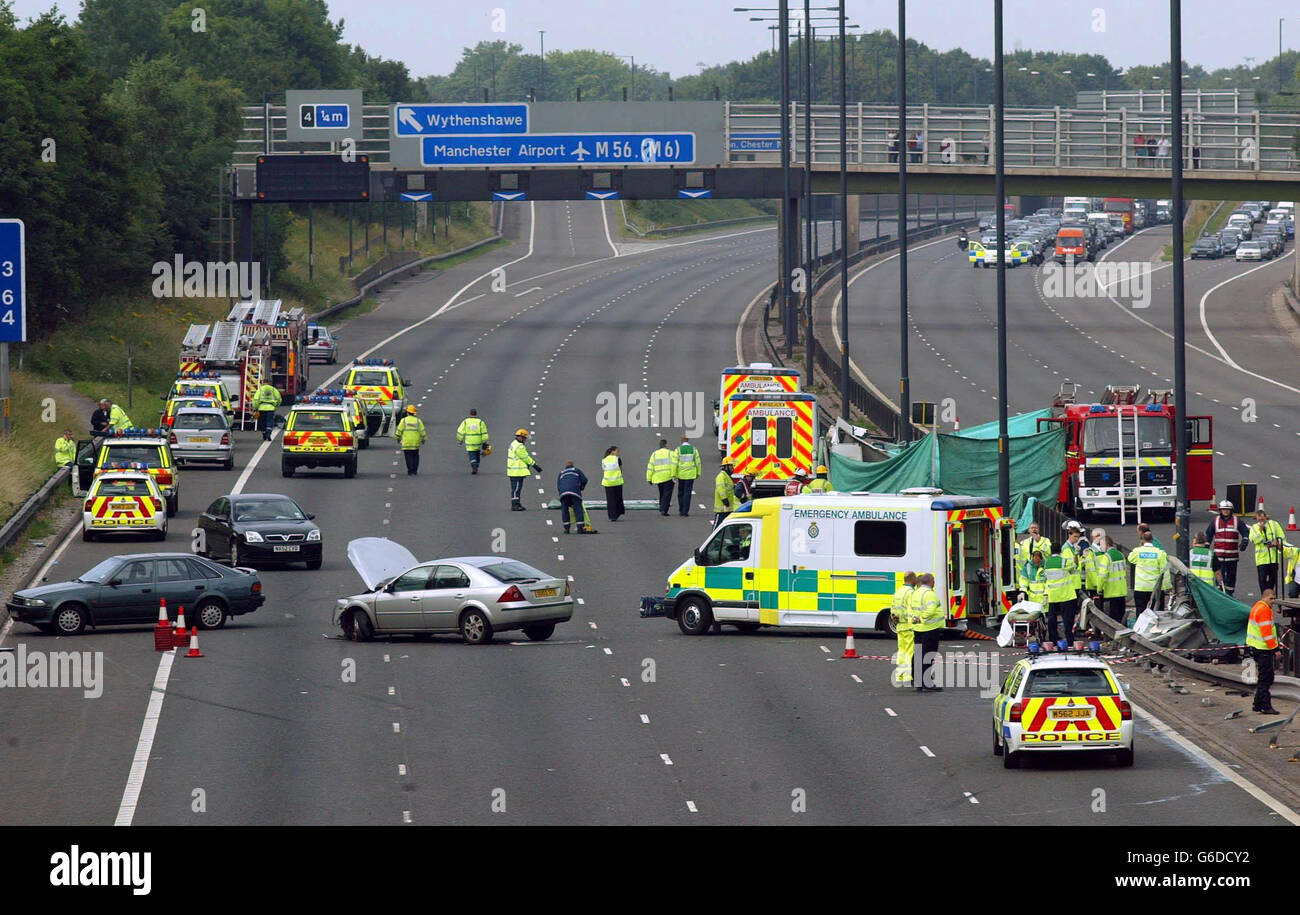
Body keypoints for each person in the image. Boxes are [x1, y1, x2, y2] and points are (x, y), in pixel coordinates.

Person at [1246, 590, 1280, 715]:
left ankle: (1257, 703)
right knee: (1266, 678)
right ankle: (1265, 706)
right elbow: (1267, 633)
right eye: (1271, 599)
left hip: (1257, 647)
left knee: (1263, 677)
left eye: (1274, 598)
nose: (1273, 601)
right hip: (1263, 648)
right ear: (1265, 597)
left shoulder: (1257, 606)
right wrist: (1275, 649)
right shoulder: (1264, 610)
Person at [1206, 500, 1249, 596]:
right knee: (1219, 577)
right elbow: (1209, 534)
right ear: (1220, 510)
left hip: (1232, 556)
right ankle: (1220, 594)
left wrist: (1245, 541)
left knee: (1231, 577)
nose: (1225, 511)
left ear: (1231, 510)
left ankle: (1229, 594)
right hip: (1218, 556)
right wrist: (1207, 546)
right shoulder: (1215, 521)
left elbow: (1245, 532)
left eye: (1227, 510)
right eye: (1223, 509)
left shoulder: (1237, 521)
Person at [911, 572, 944, 690]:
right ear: (930, 581)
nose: (934, 582)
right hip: (930, 629)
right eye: (934, 580)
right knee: (928, 656)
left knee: (918, 654)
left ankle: (917, 681)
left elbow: (911, 609)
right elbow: (930, 610)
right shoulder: (930, 594)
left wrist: (916, 620)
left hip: (918, 629)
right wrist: (922, 618)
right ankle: (926, 682)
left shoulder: (915, 593)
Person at [1044, 543, 1078, 646]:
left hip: (1053, 595)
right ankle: (1069, 640)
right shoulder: (1064, 561)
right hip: (1066, 595)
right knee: (1068, 620)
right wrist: (1076, 554)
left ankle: (1053, 640)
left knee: (1052, 619)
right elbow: (1075, 566)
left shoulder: (1047, 563)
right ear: (1060, 551)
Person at [1128, 531, 1168, 616]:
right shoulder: (1160, 553)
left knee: (1141, 613)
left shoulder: (1137, 552)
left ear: (1142, 540)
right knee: (1157, 614)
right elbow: (1165, 571)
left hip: (1141, 588)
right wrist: (1167, 586)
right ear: (1152, 540)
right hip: (1155, 589)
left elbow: (1130, 559)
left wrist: (1140, 547)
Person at [1249, 508, 1286, 596]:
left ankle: (1269, 595)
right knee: (1262, 580)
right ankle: (1265, 596)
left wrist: (1277, 543)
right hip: (1261, 560)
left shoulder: (1274, 524)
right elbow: (1254, 540)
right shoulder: (1254, 528)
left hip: (1273, 559)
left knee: (1273, 579)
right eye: (1259, 519)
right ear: (1256, 518)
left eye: (1263, 518)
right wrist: (1260, 531)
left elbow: (1282, 538)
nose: (1261, 521)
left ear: (1266, 517)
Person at [891, 572, 917, 686]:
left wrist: (894, 617)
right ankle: (908, 676)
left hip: (899, 626)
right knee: (910, 652)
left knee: (902, 651)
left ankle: (900, 675)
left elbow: (892, 607)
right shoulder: (911, 592)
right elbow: (912, 609)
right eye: (915, 578)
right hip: (909, 626)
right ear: (912, 579)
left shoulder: (898, 591)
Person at [557, 461, 596, 534]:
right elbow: (584, 480)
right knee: (578, 509)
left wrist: (561, 495)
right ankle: (580, 527)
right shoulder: (576, 470)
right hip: (574, 492)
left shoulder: (561, 473)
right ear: (573, 466)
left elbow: (559, 485)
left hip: (563, 493)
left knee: (565, 510)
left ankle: (566, 528)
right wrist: (581, 487)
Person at [507, 428, 541, 510]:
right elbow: (525, 457)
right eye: (525, 438)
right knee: (516, 489)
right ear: (521, 437)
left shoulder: (514, 443)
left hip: (514, 471)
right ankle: (515, 505)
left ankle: (517, 503)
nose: (525, 440)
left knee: (517, 489)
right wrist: (534, 465)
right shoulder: (519, 446)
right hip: (517, 471)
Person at [1099, 537, 1130, 623]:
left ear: (1107, 545)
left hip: (1111, 591)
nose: (1100, 547)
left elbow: (1102, 575)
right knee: (1122, 616)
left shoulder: (1106, 557)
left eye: (1101, 545)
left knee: (1114, 618)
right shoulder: (1120, 554)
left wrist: (1099, 588)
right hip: (1121, 590)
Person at [671, 435, 701, 517]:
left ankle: (681, 509)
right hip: (690, 474)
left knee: (680, 493)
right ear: (688, 440)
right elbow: (698, 462)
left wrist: (673, 475)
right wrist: (698, 473)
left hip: (681, 474)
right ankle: (685, 511)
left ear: (681, 440)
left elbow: (674, 463)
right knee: (687, 493)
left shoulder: (678, 450)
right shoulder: (694, 449)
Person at [394, 404, 427, 475]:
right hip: (415, 442)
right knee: (415, 456)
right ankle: (415, 470)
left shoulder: (404, 421)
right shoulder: (418, 421)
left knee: (408, 456)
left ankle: (410, 470)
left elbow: (399, 431)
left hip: (406, 442)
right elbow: (422, 431)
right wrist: (424, 439)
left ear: (407, 412)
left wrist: (397, 438)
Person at [455, 408, 489, 474]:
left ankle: (474, 466)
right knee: (477, 454)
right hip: (478, 441)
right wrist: (485, 441)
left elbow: (460, 432)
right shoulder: (480, 422)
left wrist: (460, 440)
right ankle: (477, 465)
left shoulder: (466, 422)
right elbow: (484, 432)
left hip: (469, 442)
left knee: (472, 454)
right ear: (476, 414)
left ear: (470, 414)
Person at [646, 439, 675, 516]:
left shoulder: (654, 454)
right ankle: (664, 509)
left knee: (662, 493)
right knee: (667, 494)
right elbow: (674, 465)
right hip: (668, 476)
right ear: (666, 445)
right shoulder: (671, 453)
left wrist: (649, 478)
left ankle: (662, 506)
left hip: (658, 477)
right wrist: (675, 475)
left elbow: (650, 466)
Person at [601, 445, 625, 522]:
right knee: (618, 498)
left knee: (610, 500)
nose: (618, 453)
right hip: (617, 482)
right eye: (617, 451)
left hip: (608, 482)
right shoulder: (617, 459)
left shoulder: (604, 460)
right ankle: (618, 512)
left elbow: (604, 469)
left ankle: (612, 516)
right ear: (612, 451)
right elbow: (621, 470)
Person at [713, 459, 736, 527]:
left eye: (733, 466)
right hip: (722, 508)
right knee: (717, 527)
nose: (733, 468)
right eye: (731, 466)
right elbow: (721, 489)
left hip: (728, 508)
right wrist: (724, 499)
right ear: (726, 466)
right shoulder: (721, 476)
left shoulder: (727, 476)